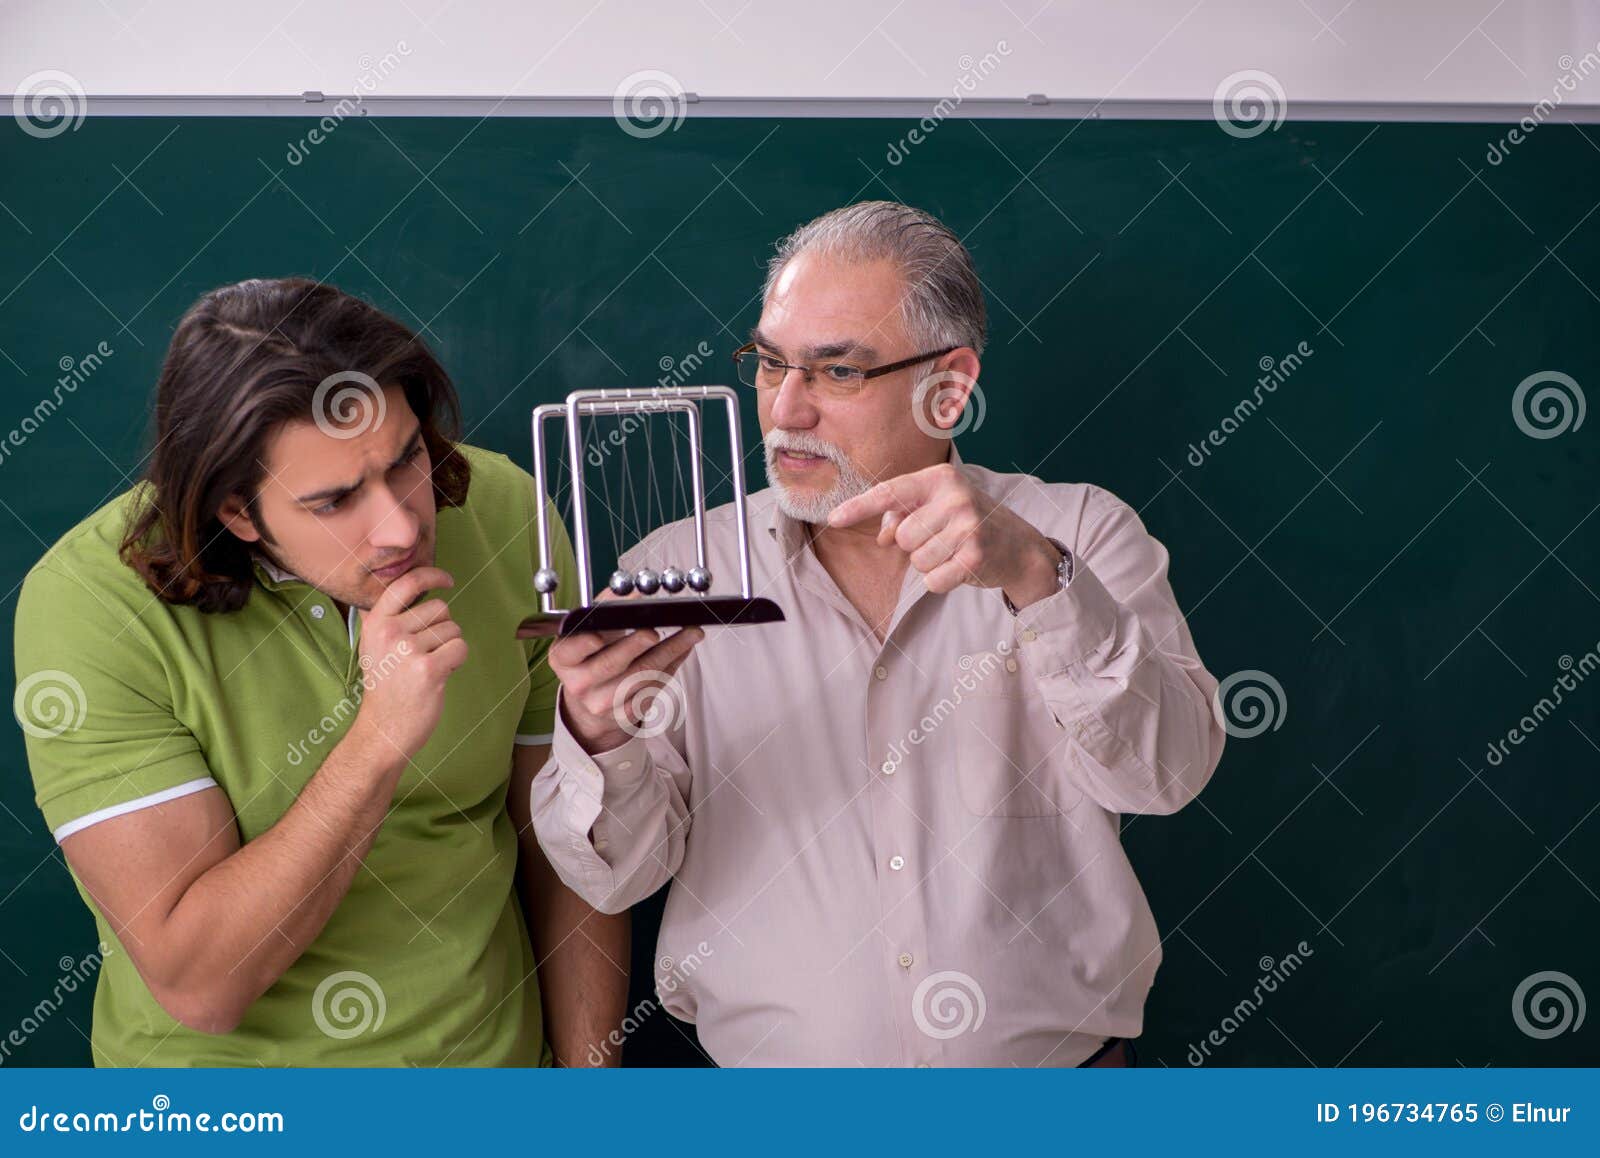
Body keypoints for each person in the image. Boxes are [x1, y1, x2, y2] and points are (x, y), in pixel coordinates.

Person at [532, 201, 1226, 1066]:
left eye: (837, 373)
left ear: (950, 386)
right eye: (769, 363)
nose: (787, 410)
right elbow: (615, 875)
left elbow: (1167, 775)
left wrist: (1038, 581)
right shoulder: (677, 575)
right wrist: (598, 735)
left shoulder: (1079, 533)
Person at [13, 278, 626, 1066]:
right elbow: (203, 985)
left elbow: (564, 846)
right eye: (335, 502)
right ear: (235, 511)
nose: (403, 524)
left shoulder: (503, 510)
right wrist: (378, 739)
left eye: (405, 459)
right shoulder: (90, 605)